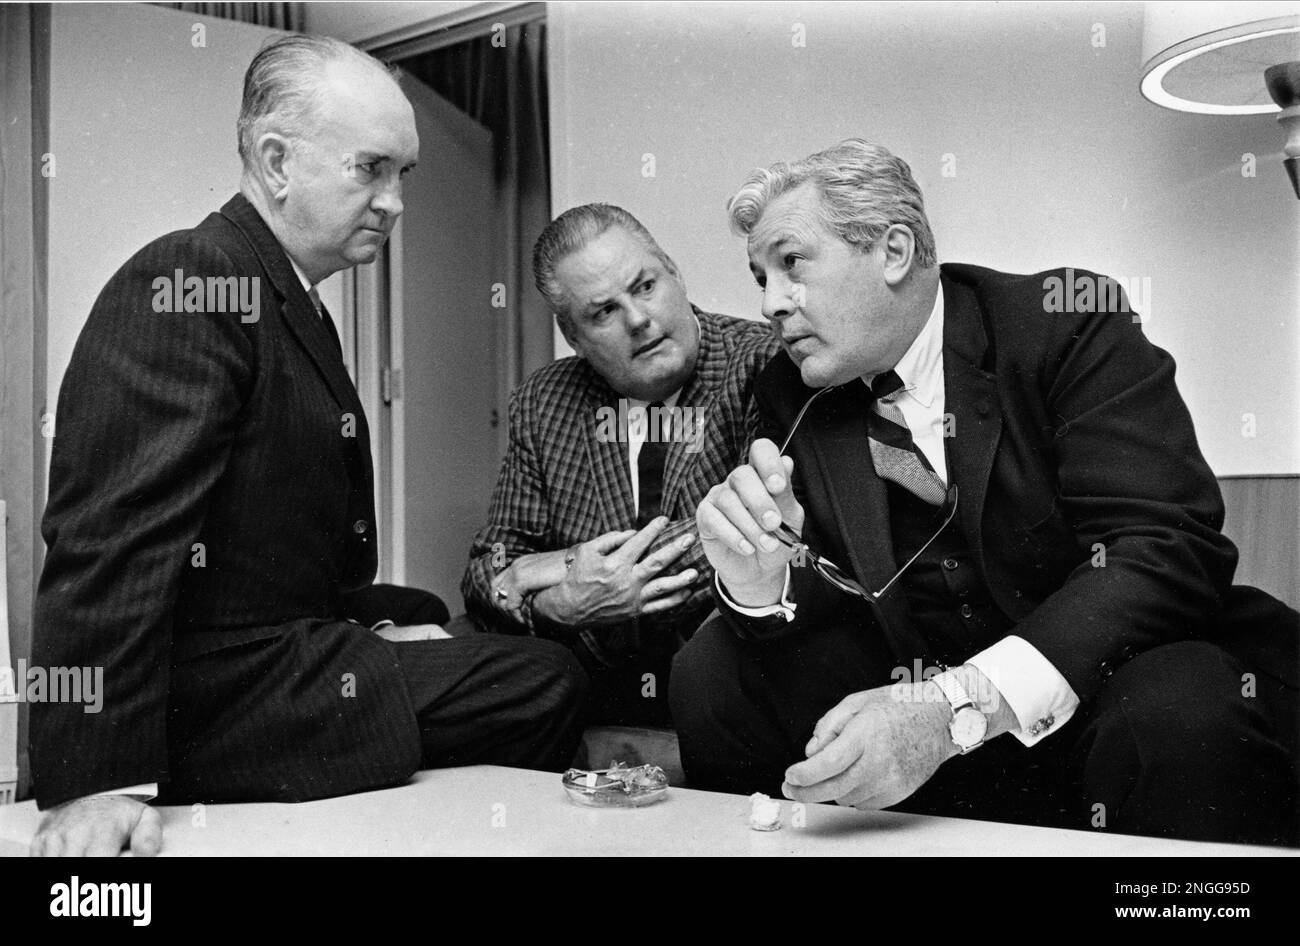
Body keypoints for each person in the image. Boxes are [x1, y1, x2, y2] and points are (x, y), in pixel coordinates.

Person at [29, 35, 588, 857]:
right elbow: (111, 539)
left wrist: (372, 632)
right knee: (546, 679)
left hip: (262, 641)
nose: (395, 202)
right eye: (372, 169)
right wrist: (94, 780)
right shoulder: (191, 277)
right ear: (276, 161)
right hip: (216, 688)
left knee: (425, 612)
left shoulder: (285, 293)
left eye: (405, 175)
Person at [673, 139, 1298, 845]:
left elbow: (1167, 548)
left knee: (1176, 710)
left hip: (1113, 687)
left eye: (791, 265)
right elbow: (835, 608)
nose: (770, 304)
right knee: (712, 669)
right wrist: (762, 581)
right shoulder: (791, 393)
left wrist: (952, 708)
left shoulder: (1063, 324)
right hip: (925, 696)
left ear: (895, 251)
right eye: (759, 278)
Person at [461, 204, 778, 726]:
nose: (638, 319)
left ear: (673, 272)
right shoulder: (544, 402)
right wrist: (555, 606)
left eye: (645, 286)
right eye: (603, 312)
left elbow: (744, 535)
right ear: (573, 336)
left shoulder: (761, 364)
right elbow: (487, 569)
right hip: (589, 681)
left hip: (730, 667)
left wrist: (557, 570)